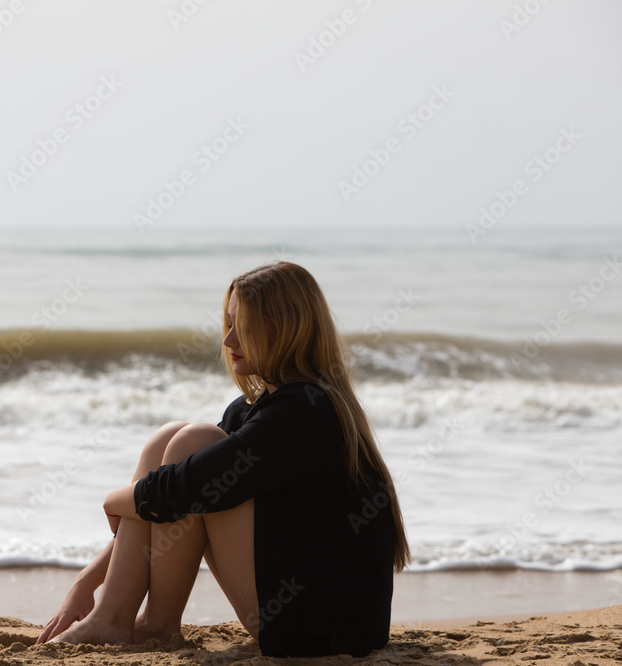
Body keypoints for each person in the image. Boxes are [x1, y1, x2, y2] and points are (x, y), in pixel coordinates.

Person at [35, 262, 410, 657]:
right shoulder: (256, 408)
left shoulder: (304, 411)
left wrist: (112, 501)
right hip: (296, 607)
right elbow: (171, 492)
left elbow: (179, 490)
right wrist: (86, 581)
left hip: (327, 628)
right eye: (228, 323)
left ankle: (131, 622)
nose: (229, 339)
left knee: (193, 444)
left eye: (243, 325)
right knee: (171, 439)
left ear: (285, 329)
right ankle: (128, 619)